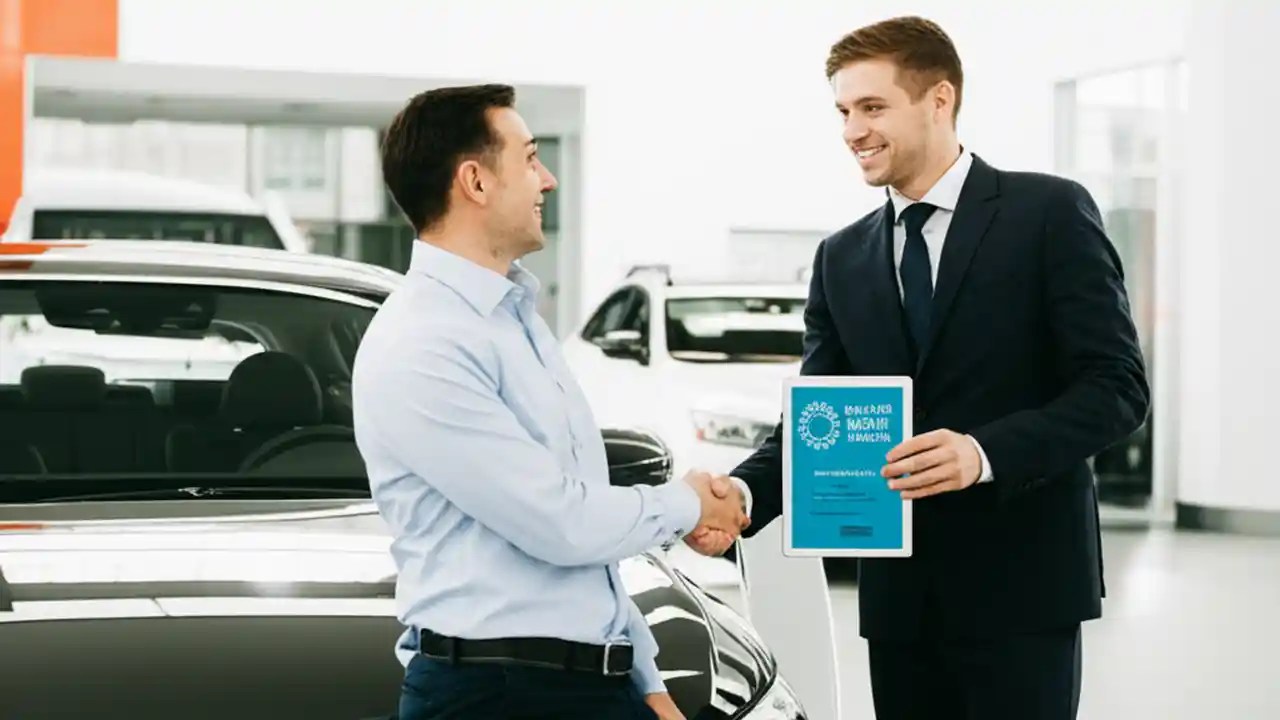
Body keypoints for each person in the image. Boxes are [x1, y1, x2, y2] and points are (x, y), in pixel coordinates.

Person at [688, 16, 1150, 720]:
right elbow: (820, 419)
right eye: (843, 112)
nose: (852, 131)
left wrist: (983, 452)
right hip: (900, 598)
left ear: (940, 100)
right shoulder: (842, 257)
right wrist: (743, 499)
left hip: (1021, 587)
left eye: (872, 107)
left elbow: (1116, 388)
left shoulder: (1048, 213)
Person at [352, 84, 749, 720]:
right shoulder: (422, 340)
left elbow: (581, 567)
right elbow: (558, 522)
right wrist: (690, 502)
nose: (549, 179)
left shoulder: (512, 319)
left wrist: (644, 679)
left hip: (577, 683)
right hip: (494, 693)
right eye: (531, 157)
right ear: (475, 182)